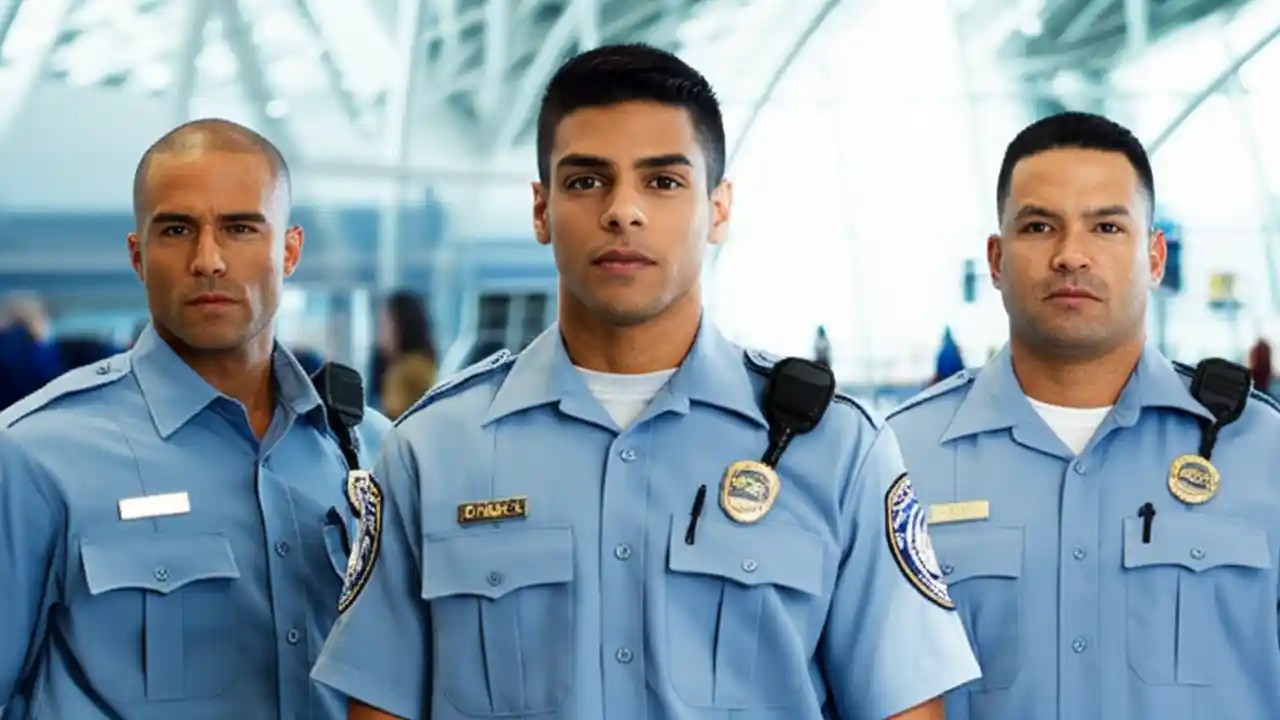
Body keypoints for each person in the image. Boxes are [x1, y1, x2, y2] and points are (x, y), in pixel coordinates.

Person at [312, 43, 978, 720]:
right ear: (540, 211)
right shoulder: (434, 450)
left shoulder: (835, 449)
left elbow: (905, 706)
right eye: (586, 181)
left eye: (662, 182)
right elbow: (380, 706)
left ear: (718, 209)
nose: (623, 211)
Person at [887, 112, 1280, 719]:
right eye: (1040, 226)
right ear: (995, 260)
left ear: (1154, 258)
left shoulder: (1261, 451)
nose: (1071, 255)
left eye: (1106, 227)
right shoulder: (898, 458)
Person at [0, 118, 391, 719]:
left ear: (289, 249)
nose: (207, 260)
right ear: (137, 255)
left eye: (239, 228)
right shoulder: (36, 456)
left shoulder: (370, 450)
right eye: (177, 229)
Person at [374, 289, 438, 419]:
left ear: (400, 326)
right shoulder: (421, 363)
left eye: (384, 324)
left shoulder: (406, 370)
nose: (379, 332)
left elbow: (391, 419)